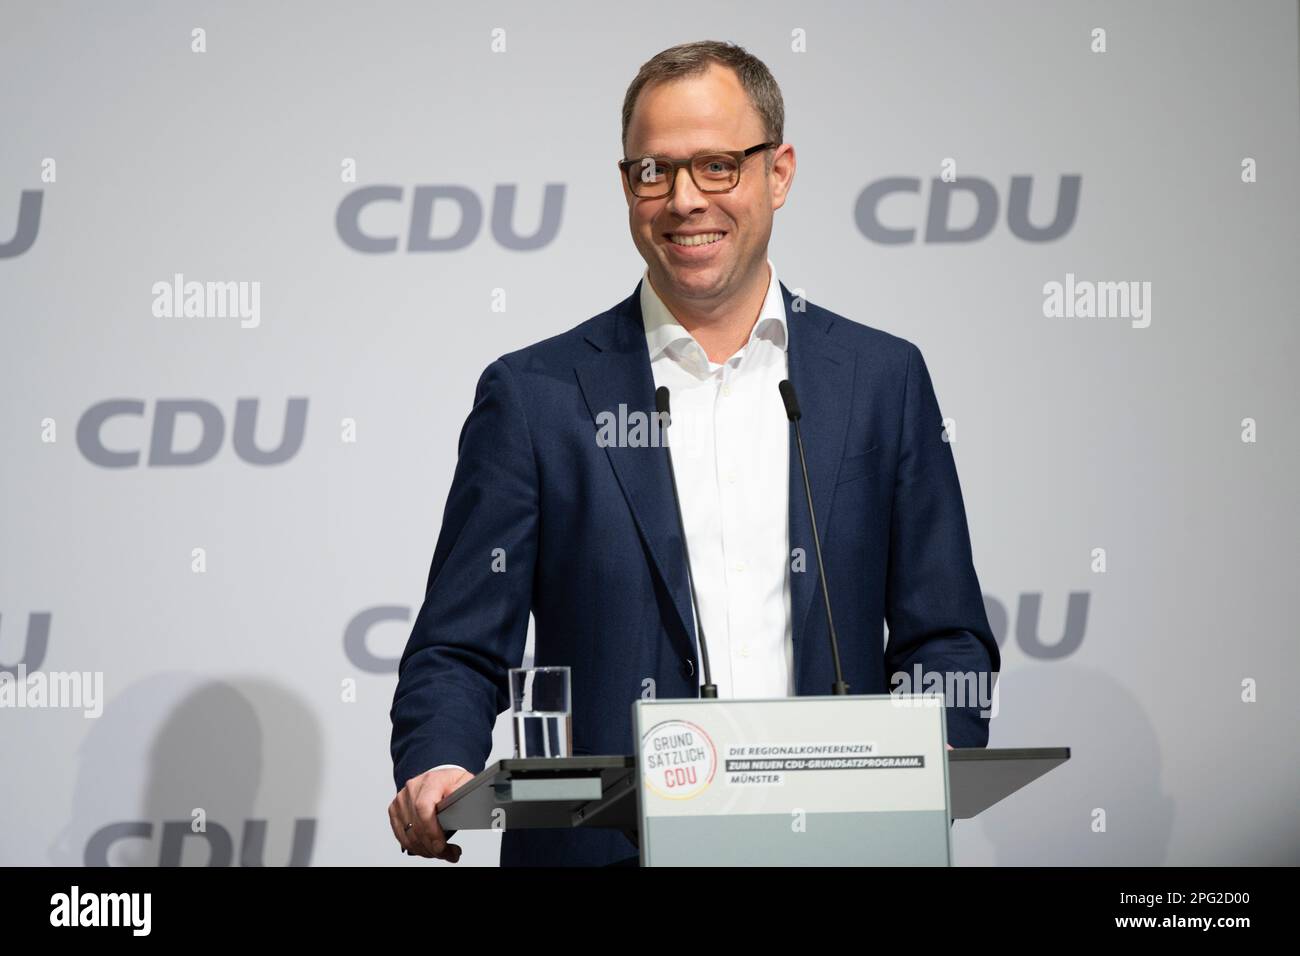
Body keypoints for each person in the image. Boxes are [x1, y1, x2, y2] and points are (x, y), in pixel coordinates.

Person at [389, 40, 999, 867]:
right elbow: (458, 645)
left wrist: (941, 751)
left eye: (717, 166)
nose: (684, 201)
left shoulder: (881, 379)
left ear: (778, 173)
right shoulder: (536, 396)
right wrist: (440, 761)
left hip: (841, 847)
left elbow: (945, 633)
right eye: (654, 171)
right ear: (626, 186)